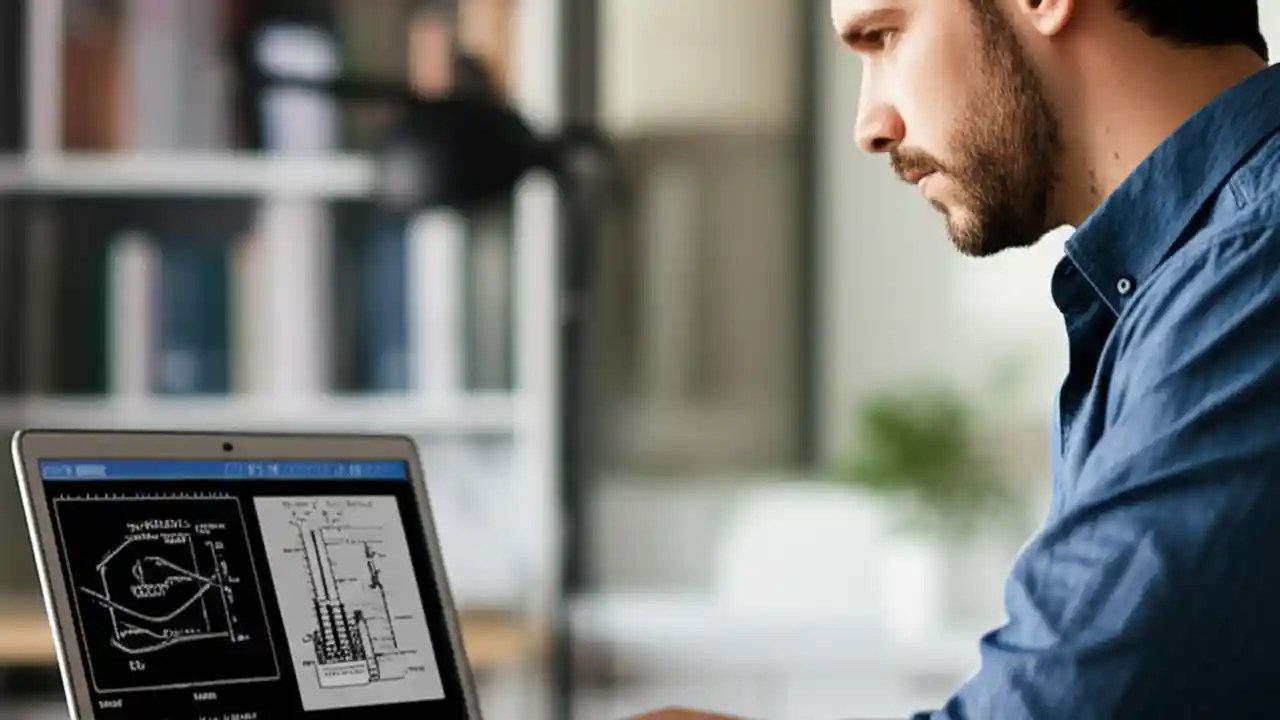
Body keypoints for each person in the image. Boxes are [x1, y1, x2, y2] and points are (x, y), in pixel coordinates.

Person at [632, 0, 1280, 718]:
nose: (868, 125)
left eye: (887, 37)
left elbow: (1060, 704)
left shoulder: (1255, 265)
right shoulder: (1183, 281)